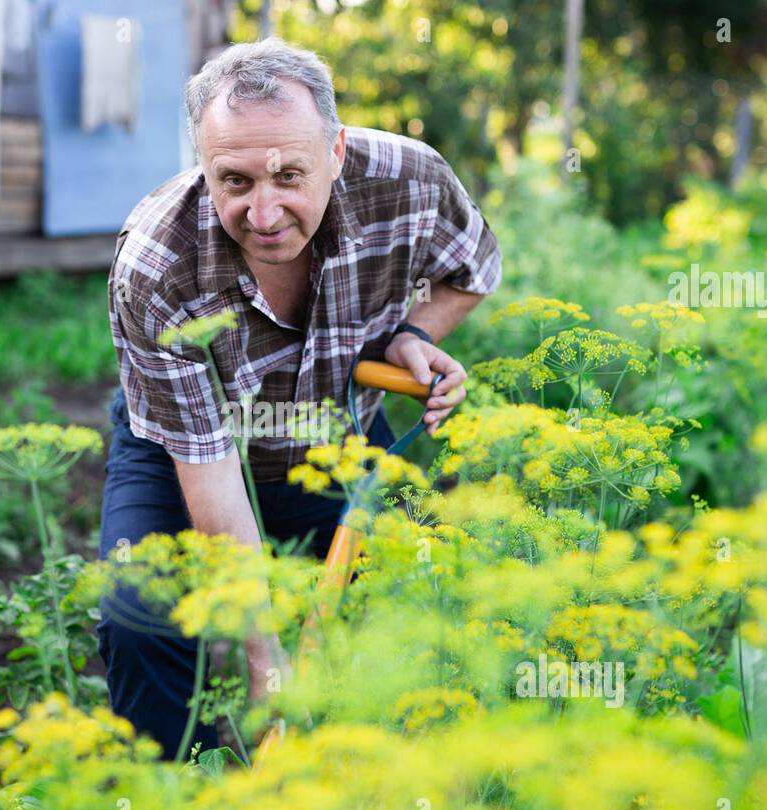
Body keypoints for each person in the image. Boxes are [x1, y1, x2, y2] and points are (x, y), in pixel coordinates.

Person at [97, 37, 502, 757]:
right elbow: (212, 469)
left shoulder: (409, 182)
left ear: (337, 152)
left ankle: (372, 790)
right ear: (203, 165)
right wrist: (263, 656)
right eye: (236, 181)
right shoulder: (157, 267)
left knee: (418, 600)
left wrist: (410, 332)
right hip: (190, 455)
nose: (264, 210)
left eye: (289, 174)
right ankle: (169, 804)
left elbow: (472, 266)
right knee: (142, 618)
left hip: (336, 435)